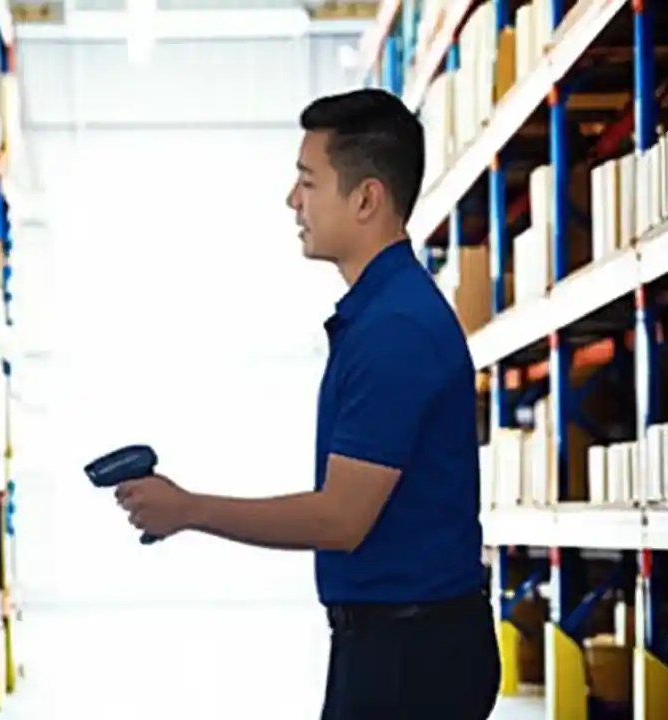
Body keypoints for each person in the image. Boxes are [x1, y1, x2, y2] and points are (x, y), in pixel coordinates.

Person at [113, 88, 501, 719]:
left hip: (412, 655)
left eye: (307, 181)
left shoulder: (395, 328)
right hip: (399, 642)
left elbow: (339, 520)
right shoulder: (381, 313)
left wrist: (187, 509)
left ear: (366, 198)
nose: (293, 200)